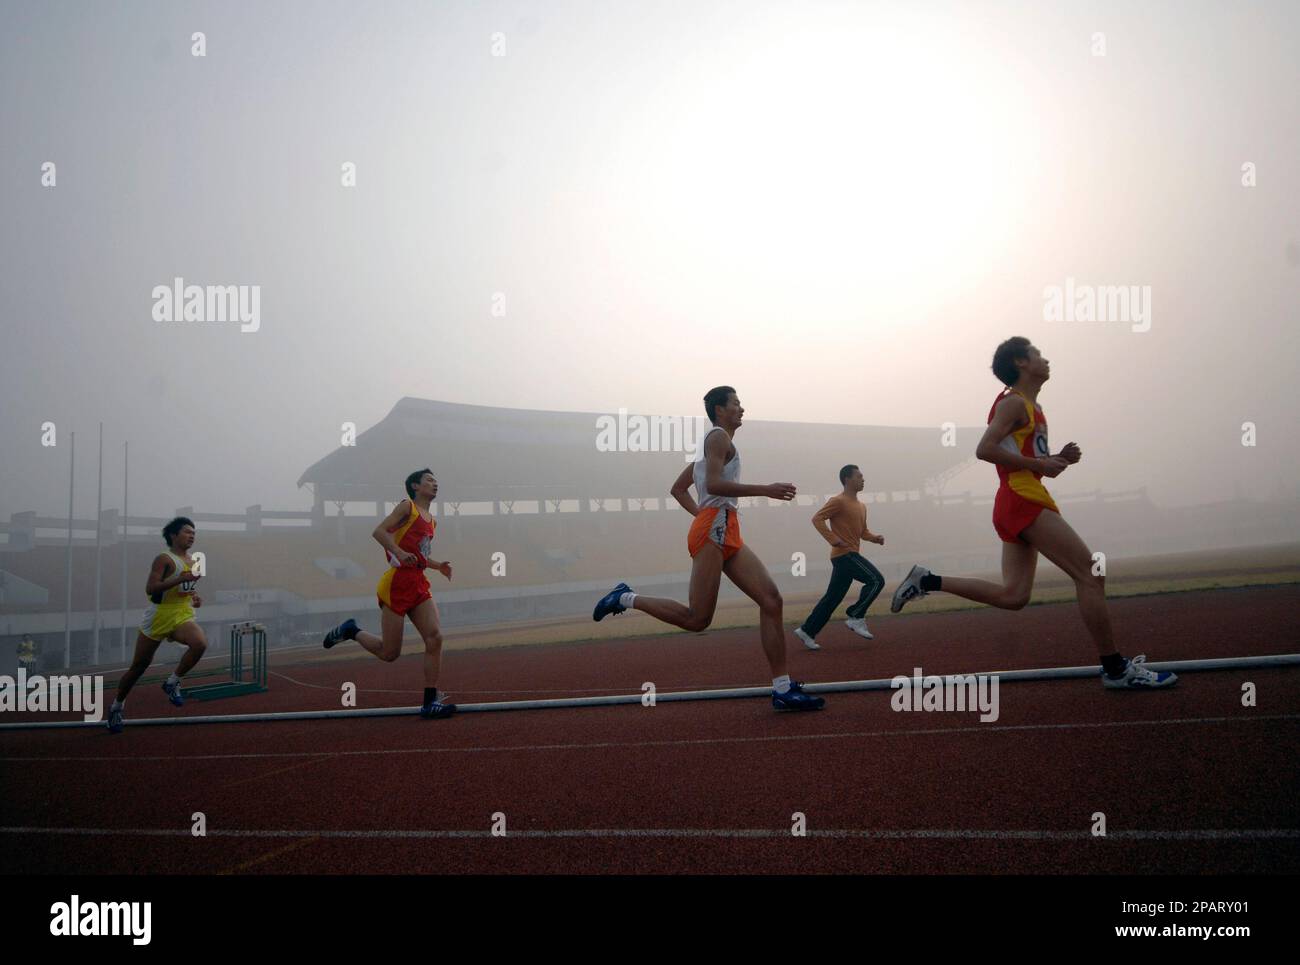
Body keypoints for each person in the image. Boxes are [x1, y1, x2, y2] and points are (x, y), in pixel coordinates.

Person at [890, 338, 1177, 690]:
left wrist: (1056, 459)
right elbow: (985, 449)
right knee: (1090, 575)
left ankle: (927, 581)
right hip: (1022, 499)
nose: (1046, 359)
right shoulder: (1014, 404)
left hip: (1019, 499)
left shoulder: (1030, 406)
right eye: (1038, 354)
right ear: (1021, 362)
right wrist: (1039, 463)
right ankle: (1115, 670)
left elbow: (1020, 459)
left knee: (1014, 597)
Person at [592, 386, 825, 711]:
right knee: (697, 618)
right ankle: (624, 597)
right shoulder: (717, 438)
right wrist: (765, 490)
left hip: (723, 527)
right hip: (714, 527)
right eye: (736, 403)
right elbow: (713, 485)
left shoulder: (712, 447)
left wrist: (706, 513)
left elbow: (678, 489)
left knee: (771, 600)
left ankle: (782, 689)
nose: (742, 409)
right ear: (719, 410)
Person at [322, 469, 456, 719]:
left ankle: (430, 702)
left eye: (436, 481)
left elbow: (419, 556)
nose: (435, 484)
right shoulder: (407, 507)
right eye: (429, 481)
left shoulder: (431, 521)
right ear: (415, 486)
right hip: (397, 584)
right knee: (389, 653)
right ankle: (351, 631)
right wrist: (397, 550)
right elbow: (379, 532)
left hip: (418, 582)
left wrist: (438, 566)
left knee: (435, 637)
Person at [107, 517, 209, 733]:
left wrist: (195, 597)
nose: (192, 536)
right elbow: (151, 588)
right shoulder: (164, 559)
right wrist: (181, 580)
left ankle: (173, 682)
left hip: (181, 613)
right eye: (187, 532)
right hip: (158, 616)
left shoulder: (194, 561)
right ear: (173, 535)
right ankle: (117, 705)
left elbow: (188, 589)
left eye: (194, 533)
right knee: (139, 667)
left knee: (199, 644)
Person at [793, 464, 886, 650]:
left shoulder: (861, 506)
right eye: (859, 476)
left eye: (863, 476)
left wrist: (874, 538)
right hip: (844, 555)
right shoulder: (838, 501)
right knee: (876, 580)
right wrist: (833, 540)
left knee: (833, 598)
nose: (863, 479)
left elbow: (863, 531)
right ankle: (856, 615)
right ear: (847, 479)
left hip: (849, 555)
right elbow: (817, 518)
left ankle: (807, 630)